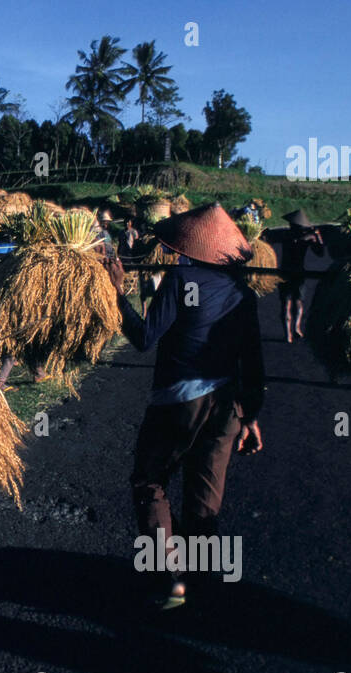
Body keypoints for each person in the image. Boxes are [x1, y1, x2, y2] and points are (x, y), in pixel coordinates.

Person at [107, 205, 265, 609]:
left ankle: (168, 579)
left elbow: (144, 337)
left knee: (150, 482)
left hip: (179, 403)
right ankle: (201, 585)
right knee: (203, 501)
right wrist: (251, 416)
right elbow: (254, 362)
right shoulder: (243, 294)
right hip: (227, 407)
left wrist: (117, 292)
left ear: (189, 246)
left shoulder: (180, 278)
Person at [278, 209, 325, 343]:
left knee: (291, 303)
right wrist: (314, 236)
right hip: (295, 272)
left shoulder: (290, 235)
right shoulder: (297, 237)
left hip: (288, 272)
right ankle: (292, 331)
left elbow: (320, 252)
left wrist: (317, 236)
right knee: (293, 302)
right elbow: (319, 252)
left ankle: (293, 331)